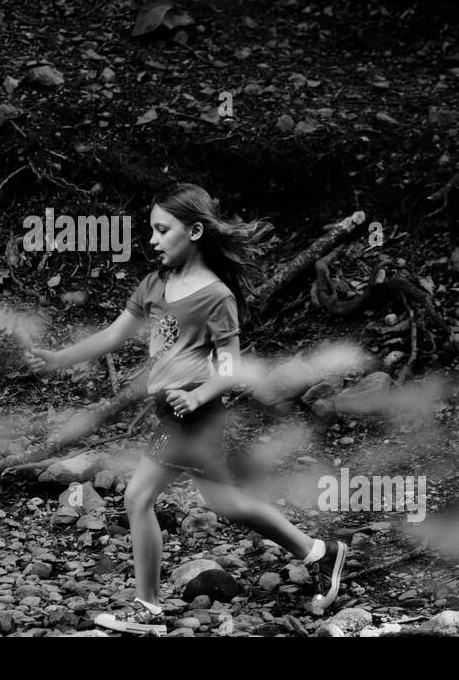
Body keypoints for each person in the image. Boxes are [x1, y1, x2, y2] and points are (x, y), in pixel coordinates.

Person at [25, 183, 348, 635]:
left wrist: (198, 395)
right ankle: (319, 552)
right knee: (226, 502)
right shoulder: (155, 284)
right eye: (151, 231)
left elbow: (231, 365)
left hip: (194, 411)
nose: (153, 240)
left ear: (194, 231)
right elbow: (114, 335)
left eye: (162, 230)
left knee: (137, 498)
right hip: (170, 409)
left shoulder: (216, 296)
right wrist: (60, 358)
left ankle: (148, 607)